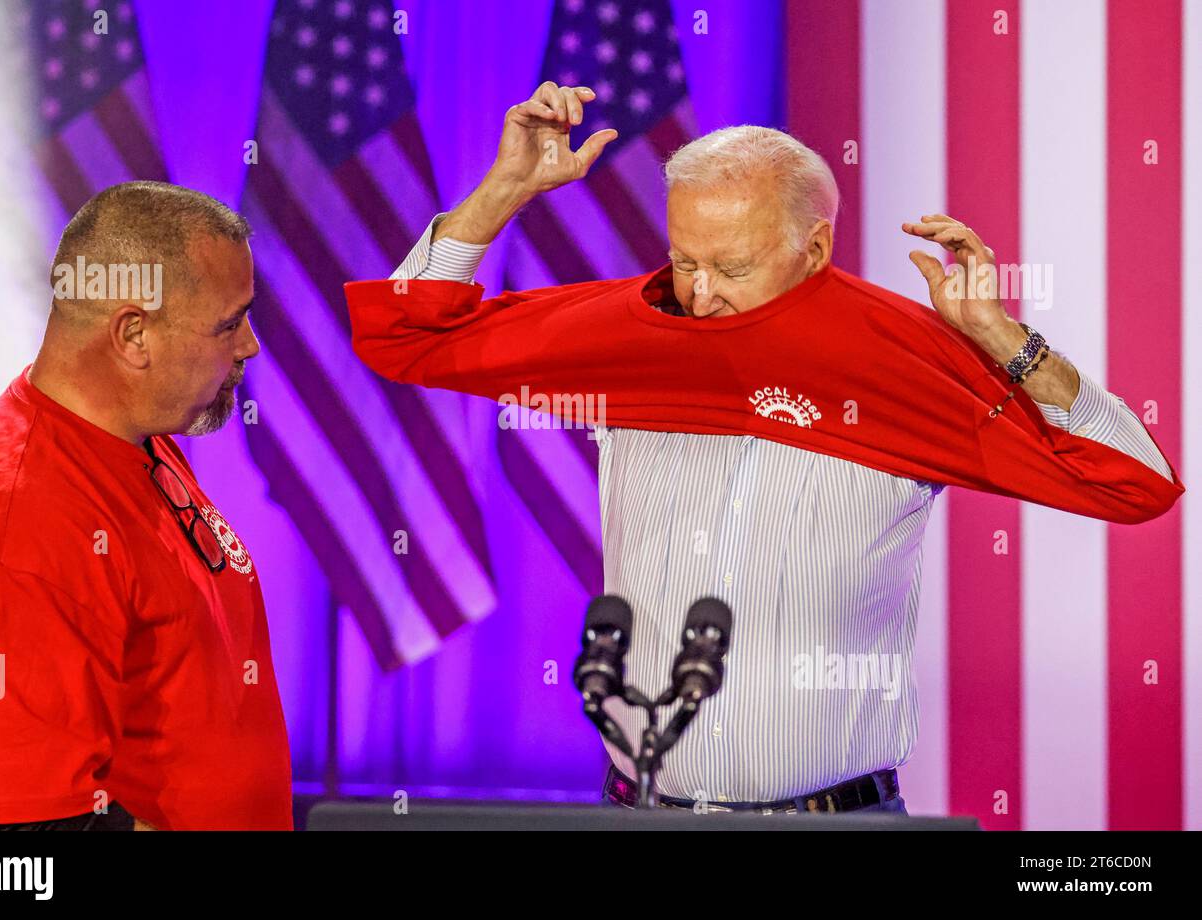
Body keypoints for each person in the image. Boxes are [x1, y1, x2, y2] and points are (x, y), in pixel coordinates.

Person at [346, 82, 1182, 815]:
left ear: (813, 248)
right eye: (683, 259)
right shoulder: (625, 339)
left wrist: (1002, 339)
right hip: (637, 808)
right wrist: (503, 190)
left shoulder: (904, 362)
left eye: (731, 266)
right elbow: (403, 337)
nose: (700, 294)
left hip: (838, 818)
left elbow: (1134, 484)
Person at [0, 181, 292, 830]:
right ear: (134, 335)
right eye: (229, 323)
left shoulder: (138, 438)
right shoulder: (14, 535)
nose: (250, 345)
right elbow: (11, 851)